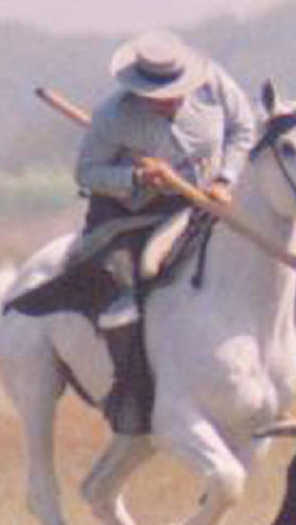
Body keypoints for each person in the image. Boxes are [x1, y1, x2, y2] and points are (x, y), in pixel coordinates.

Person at [76, 29, 256, 328]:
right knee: (131, 272)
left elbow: (242, 129)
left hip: (208, 201)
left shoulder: (214, 84)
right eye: (159, 97)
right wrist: (137, 177)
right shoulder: (112, 116)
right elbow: (87, 172)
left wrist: (225, 179)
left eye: (177, 92)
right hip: (138, 210)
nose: (171, 101)